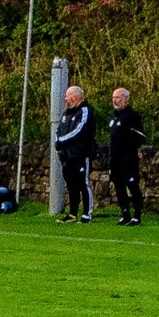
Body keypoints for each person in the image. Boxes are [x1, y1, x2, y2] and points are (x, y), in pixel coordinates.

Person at [54, 85, 95, 221]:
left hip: (80, 154)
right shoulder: (66, 113)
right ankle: (72, 214)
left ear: (75, 97)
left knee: (83, 183)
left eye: (68, 96)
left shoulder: (85, 111)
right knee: (71, 185)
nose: (65, 99)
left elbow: (79, 130)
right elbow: (58, 130)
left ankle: (87, 214)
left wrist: (62, 141)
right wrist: (57, 140)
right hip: (67, 156)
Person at [108, 89, 147, 225]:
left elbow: (141, 136)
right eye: (113, 97)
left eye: (118, 97)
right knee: (119, 186)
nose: (115, 100)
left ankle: (137, 215)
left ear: (126, 99)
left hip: (128, 159)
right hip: (115, 159)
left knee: (132, 186)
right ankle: (125, 214)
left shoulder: (132, 115)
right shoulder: (115, 117)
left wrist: (132, 145)